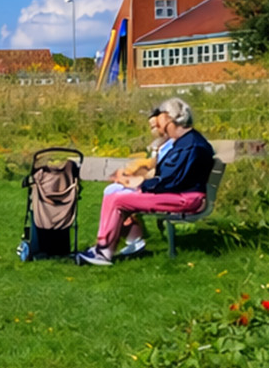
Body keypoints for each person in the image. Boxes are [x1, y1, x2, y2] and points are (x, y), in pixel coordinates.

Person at [75, 97, 213, 265]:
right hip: (180, 194)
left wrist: (141, 186)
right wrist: (138, 184)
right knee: (116, 194)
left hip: (186, 198)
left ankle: (104, 251)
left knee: (117, 198)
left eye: (160, 115)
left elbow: (172, 181)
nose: (157, 120)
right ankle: (108, 248)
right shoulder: (185, 142)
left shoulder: (191, 145)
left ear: (169, 118)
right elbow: (171, 178)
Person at [101, 110, 171, 257]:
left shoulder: (171, 146)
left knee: (116, 194)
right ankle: (132, 239)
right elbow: (151, 168)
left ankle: (125, 241)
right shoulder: (161, 145)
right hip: (154, 186)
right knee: (112, 189)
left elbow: (158, 174)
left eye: (156, 126)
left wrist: (132, 180)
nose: (154, 130)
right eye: (151, 127)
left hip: (161, 191)